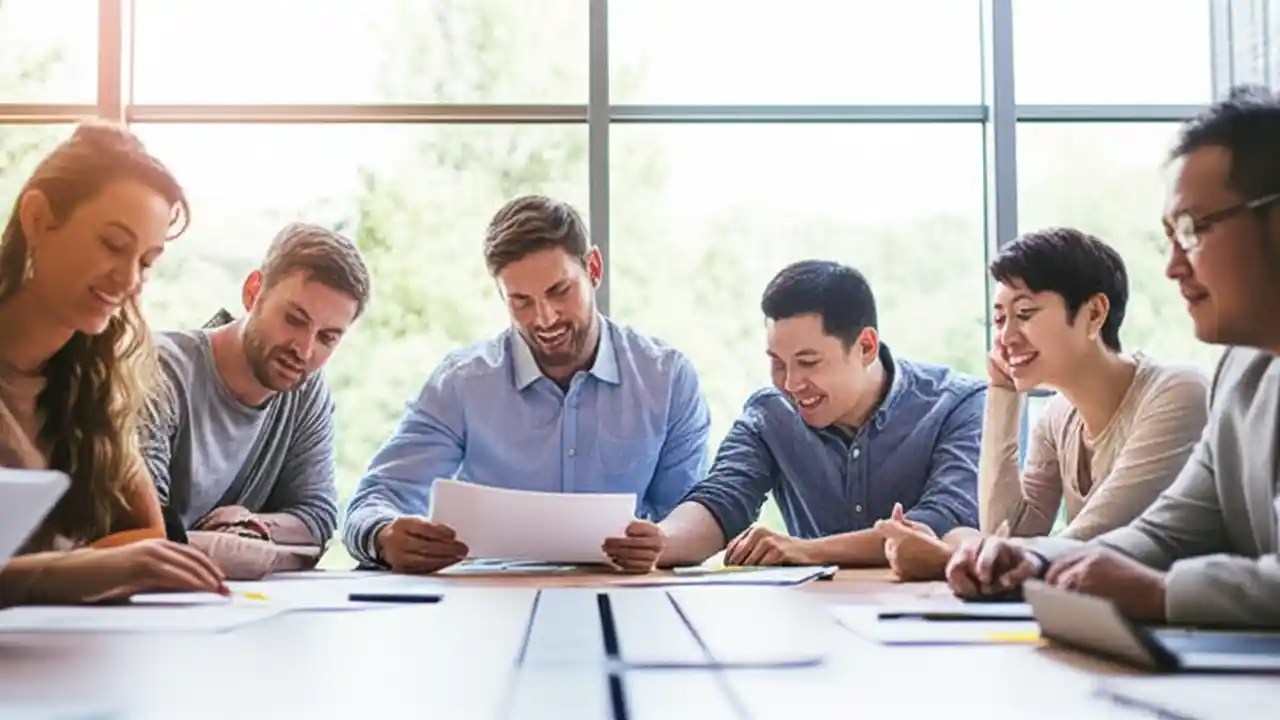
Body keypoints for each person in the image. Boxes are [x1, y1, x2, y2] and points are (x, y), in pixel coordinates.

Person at [945, 85, 1280, 627]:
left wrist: (1163, 593)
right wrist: (1031, 558)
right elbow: (1166, 530)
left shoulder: (1180, 391)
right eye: (1168, 238)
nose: (1173, 267)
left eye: (1192, 230)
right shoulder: (1243, 371)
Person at [343, 195, 711, 573]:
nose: (544, 319)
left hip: (626, 597)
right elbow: (371, 501)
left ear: (594, 269)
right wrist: (383, 536)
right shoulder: (461, 386)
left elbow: (689, 518)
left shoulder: (666, 380)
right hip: (491, 603)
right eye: (521, 301)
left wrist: (662, 541)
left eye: (559, 291)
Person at [603, 260, 986, 572]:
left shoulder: (959, 404)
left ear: (866, 346)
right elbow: (721, 498)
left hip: (928, 622)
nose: (790, 383)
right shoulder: (771, 414)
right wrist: (660, 541)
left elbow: (944, 521)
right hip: (816, 622)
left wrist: (807, 550)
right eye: (777, 363)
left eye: (808, 362)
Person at [876, 228, 1209, 580]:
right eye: (1000, 319)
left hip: (1200, 623)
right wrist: (1003, 393)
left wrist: (948, 556)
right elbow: (1007, 530)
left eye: (1025, 313)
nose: (1005, 338)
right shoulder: (1058, 416)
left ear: (1094, 314)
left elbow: (1095, 542)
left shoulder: (1178, 393)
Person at [0, 122, 226, 605]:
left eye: (146, 261)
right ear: (37, 219)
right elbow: (127, 556)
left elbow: (148, 532)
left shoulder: (92, 378)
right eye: (113, 245)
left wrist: (84, 569)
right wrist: (81, 570)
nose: (129, 280)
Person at [140, 223, 369, 577]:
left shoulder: (306, 391)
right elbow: (142, 526)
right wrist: (267, 552)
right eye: (294, 320)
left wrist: (253, 526)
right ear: (253, 292)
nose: (304, 350)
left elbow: (318, 519)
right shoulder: (158, 368)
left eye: (328, 338)